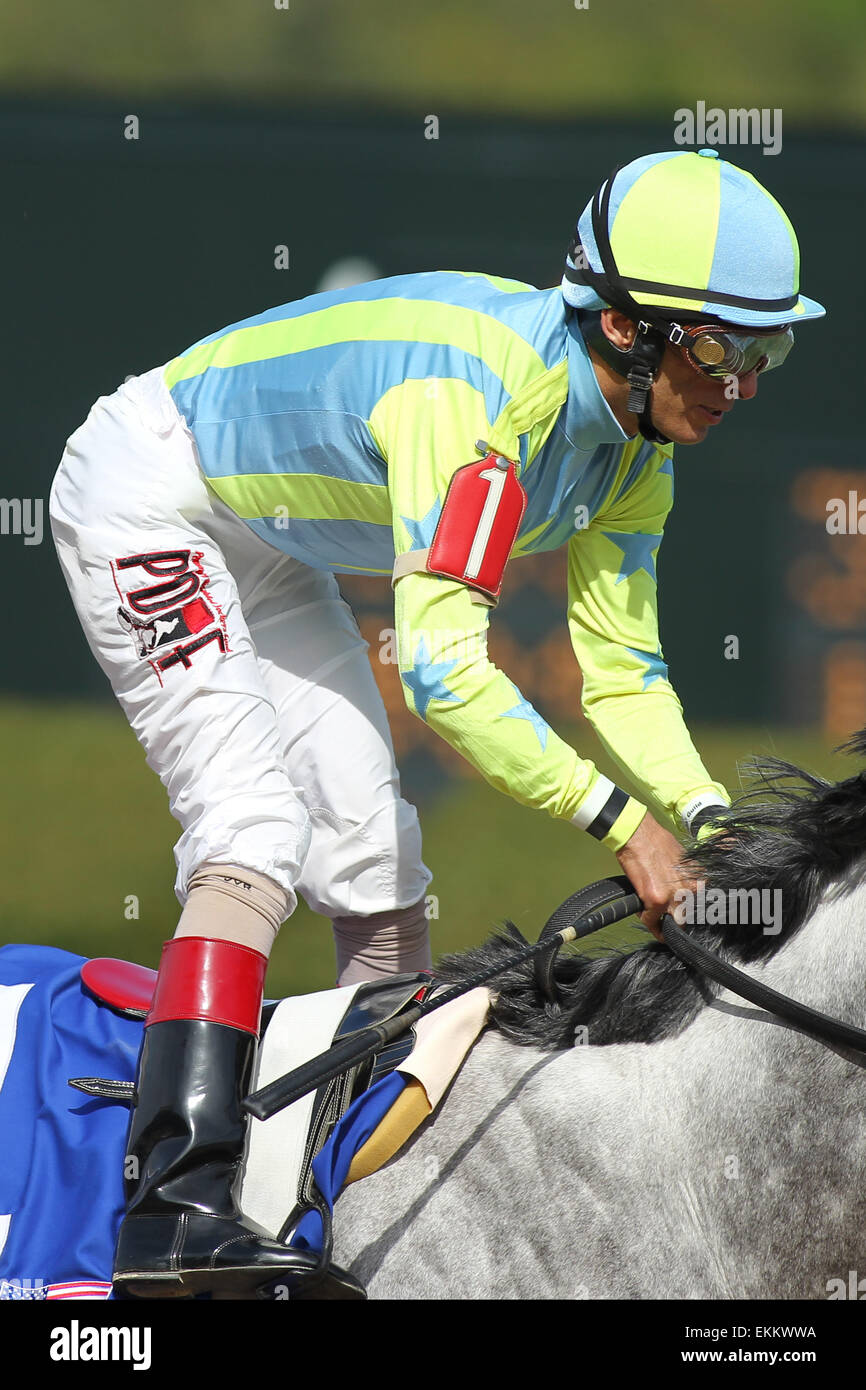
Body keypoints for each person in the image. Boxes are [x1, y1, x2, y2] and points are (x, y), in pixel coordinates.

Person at [48, 147, 824, 1298]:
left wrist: (708, 817)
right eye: (719, 346)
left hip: (270, 539)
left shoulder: (634, 454)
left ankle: (360, 1165)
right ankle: (173, 1204)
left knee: (376, 848)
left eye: (767, 350)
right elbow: (441, 670)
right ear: (622, 327)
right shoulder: (482, 406)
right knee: (253, 827)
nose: (741, 383)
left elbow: (618, 670)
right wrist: (620, 824)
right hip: (146, 492)